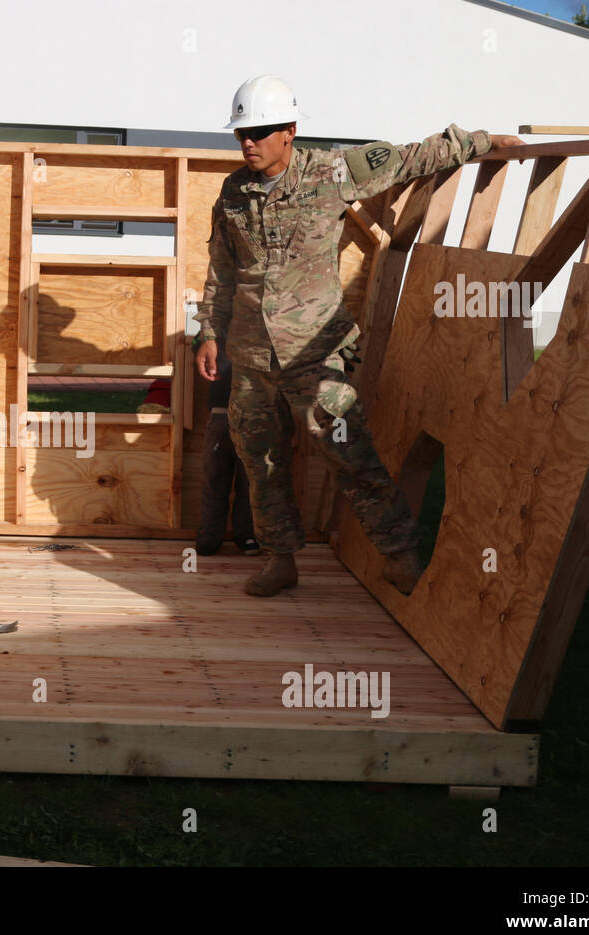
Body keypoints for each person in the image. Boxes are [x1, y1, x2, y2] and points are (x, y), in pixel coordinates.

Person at [194, 75, 524, 597]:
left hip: (315, 354)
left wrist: (484, 142)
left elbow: (411, 157)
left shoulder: (331, 172)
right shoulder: (234, 192)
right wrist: (207, 332)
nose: (248, 142)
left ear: (290, 131)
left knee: (351, 455)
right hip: (254, 358)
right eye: (242, 133)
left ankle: (399, 555)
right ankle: (280, 560)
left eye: (259, 131)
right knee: (260, 461)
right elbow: (222, 270)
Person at [194, 337, 258, 556]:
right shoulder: (215, 333)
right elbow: (198, 345)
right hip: (221, 415)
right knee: (214, 479)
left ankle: (247, 536)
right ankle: (209, 537)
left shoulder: (263, 332)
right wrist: (209, 340)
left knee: (249, 482)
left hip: (255, 418)